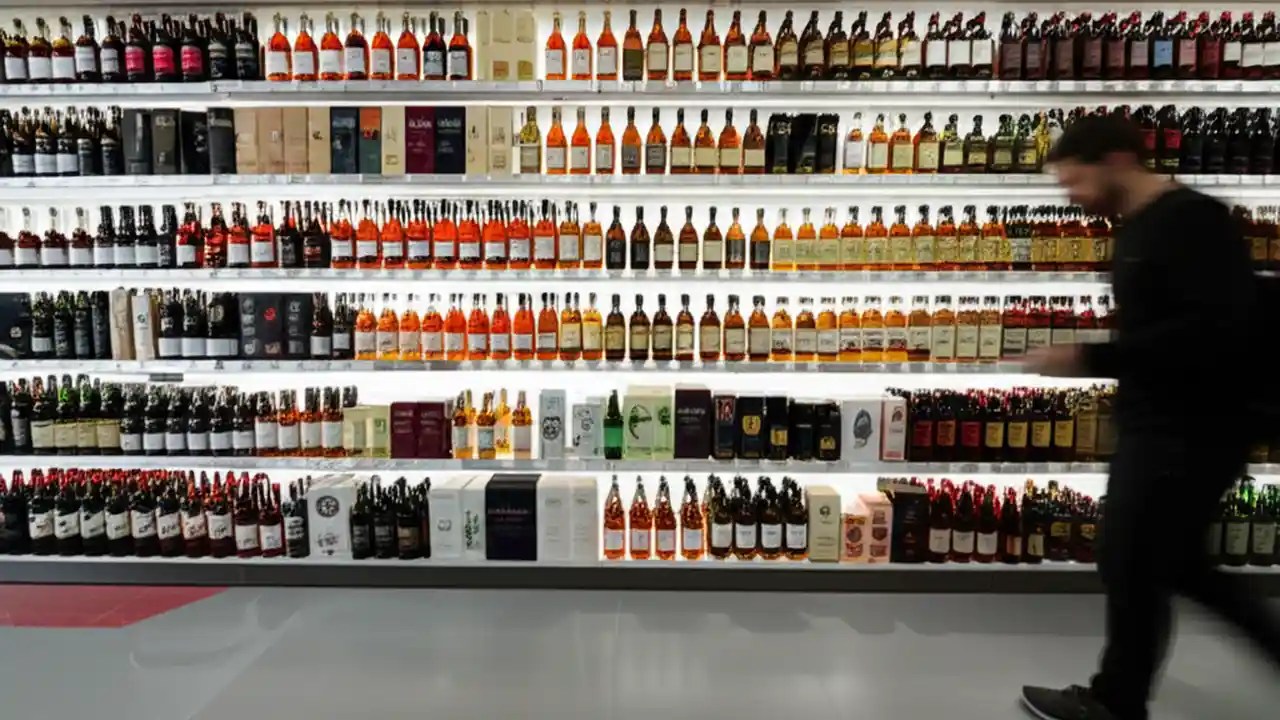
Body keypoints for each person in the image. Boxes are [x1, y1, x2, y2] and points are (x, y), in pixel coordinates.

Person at [1020, 113, 1280, 720]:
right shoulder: (1134, 224)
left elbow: (1211, 333)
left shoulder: (1192, 220)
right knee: (1158, 564)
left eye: (1074, 181)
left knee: (1140, 562)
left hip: (1194, 427)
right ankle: (1118, 695)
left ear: (1115, 162)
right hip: (1157, 420)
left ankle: (1115, 700)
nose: (1072, 197)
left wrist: (1090, 355)